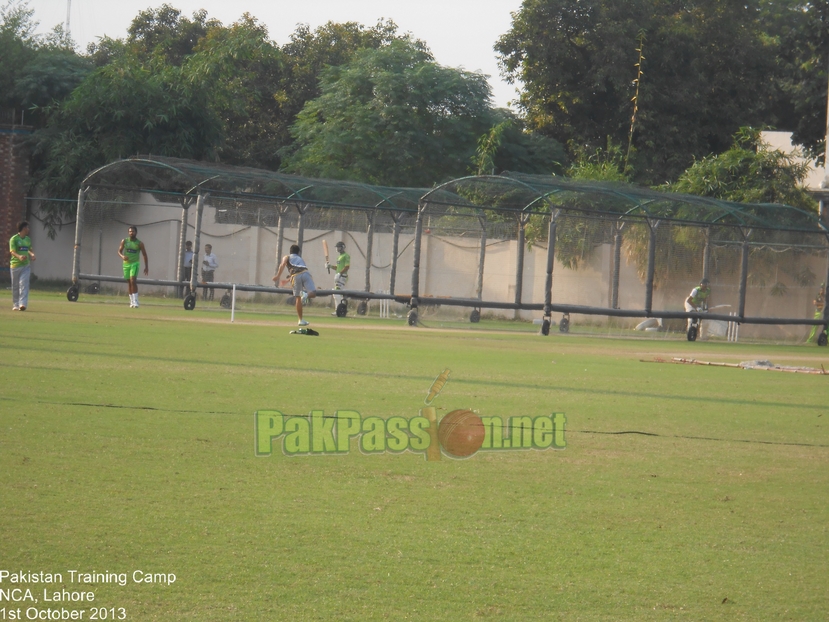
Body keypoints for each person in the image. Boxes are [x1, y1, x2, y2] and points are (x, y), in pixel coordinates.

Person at [273, 244, 316, 326]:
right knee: (313, 293)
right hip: (306, 273)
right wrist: (287, 280)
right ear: (298, 252)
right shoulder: (300, 259)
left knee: (298, 298)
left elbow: (283, 265)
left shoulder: (287, 257)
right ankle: (306, 295)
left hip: (296, 276)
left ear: (290, 251)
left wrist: (277, 276)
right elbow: (299, 270)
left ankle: (300, 320)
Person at [118, 225, 148, 308]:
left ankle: (136, 301)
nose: (131, 233)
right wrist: (122, 256)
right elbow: (119, 251)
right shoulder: (124, 241)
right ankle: (131, 301)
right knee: (129, 282)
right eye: (130, 231)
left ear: (136, 232)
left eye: (133, 231)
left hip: (135, 263)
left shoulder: (139, 243)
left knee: (133, 280)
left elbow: (144, 255)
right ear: (128, 232)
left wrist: (146, 267)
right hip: (126, 264)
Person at [9, 221, 36, 311]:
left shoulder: (28, 239)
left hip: (25, 266)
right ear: (24, 228)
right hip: (15, 266)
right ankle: (15, 304)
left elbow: (29, 249)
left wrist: (32, 254)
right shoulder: (14, 239)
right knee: (16, 286)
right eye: (27, 228)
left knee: (24, 284)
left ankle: (23, 304)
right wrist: (19, 256)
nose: (28, 229)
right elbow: (12, 251)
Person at [326, 240, 350, 316]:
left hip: (342, 277)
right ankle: (340, 310)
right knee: (338, 293)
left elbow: (347, 266)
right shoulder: (339, 257)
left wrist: (340, 273)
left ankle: (339, 310)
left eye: (338, 247)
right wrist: (330, 266)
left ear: (342, 248)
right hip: (338, 276)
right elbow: (337, 267)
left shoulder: (346, 256)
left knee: (336, 292)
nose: (337, 249)